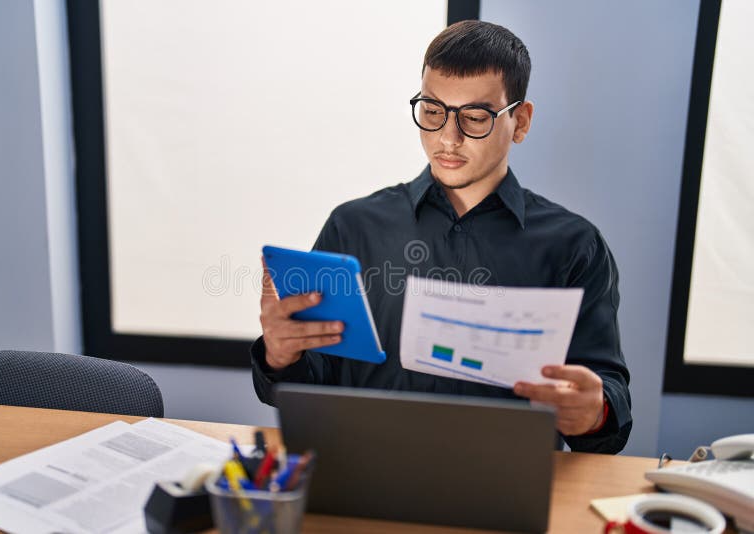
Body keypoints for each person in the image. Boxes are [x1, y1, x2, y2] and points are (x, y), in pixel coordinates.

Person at [251, 20, 632, 454]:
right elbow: (310, 384)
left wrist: (594, 411)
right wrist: (281, 355)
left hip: (505, 480)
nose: (448, 138)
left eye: (475, 117)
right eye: (433, 112)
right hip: (365, 470)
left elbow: (607, 401)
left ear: (521, 121)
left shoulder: (573, 246)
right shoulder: (354, 227)